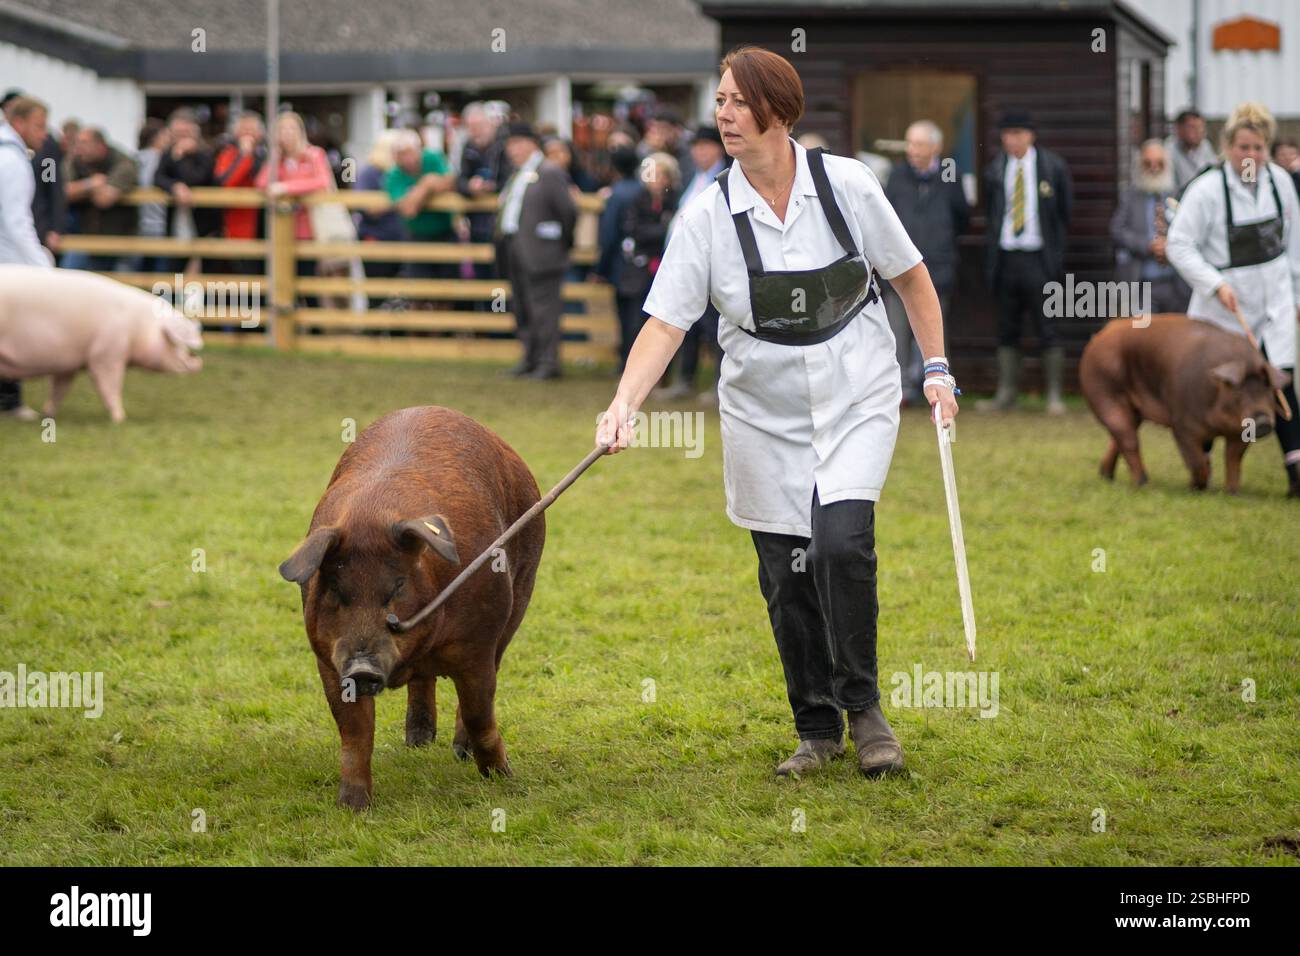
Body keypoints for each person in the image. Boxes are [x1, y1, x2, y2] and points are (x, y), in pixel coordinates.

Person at [596, 46, 958, 779]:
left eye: (736, 101)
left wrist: (939, 369)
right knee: (787, 576)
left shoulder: (849, 185)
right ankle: (816, 728)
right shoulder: (706, 216)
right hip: (762, 416)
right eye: (720, 101)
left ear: (777, 110)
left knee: (839, 544)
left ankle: (865, 712)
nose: (723, 114)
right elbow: (666, 323)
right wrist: (622, 405)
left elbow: (911, 278)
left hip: (857, 393)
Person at [1167, 101, 1300, 497]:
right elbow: (1179, 244)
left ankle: (1295, 469)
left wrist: (1295, 295)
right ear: (1227, 147)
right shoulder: (1206, 189)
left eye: (1258, 148)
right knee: (1219, 386)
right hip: (1223, 311)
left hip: (1274, 301)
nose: (1251, 156)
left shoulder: (1280, 182)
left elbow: (1293, 244)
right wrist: (1213, 283)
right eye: (1243, 147)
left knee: (1280, 382)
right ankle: (1203, 460)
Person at [980, 109, 1073, 413]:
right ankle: (1006, 393)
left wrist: (1054, 257)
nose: (1012, 140)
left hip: (1039, 257)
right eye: (1007, 135)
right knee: (1007, 326)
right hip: (1007, 257)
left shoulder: (1052, 167)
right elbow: (991, 213)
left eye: (1018, 134)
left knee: (1047, 325)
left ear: (1031, 136)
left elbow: (1064, 214)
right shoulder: (996, 169)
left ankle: (1054, 395)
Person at [884, 119, 971, 405]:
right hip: (898, 268)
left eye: (920, 144)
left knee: (934, 330)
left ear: (936, 147)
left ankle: (937, 389)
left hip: (938, 268)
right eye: (910, 143)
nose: (913, 150)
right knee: (897, 333)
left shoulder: (948, 173)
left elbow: (961, 216)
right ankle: (900, 392)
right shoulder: (897, 176)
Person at [494, 122, 576, 380]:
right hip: (515, 248)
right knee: (522, 306)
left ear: (531, 143)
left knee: (544, 310)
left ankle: (548, 361)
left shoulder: (550, 172)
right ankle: (530, 357)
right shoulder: (517, 174)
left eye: (517, 143)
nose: (513, 150)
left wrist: (557, 242)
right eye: (510, 145)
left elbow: (567, 212)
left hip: (542, 251)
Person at [655, 124, 730, 402]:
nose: (700, 152)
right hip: (686, 266)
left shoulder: (728, 178)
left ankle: (719, 384)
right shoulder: (690, 177)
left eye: (705, 146)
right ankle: (684, 380)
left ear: (717, 148)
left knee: (715, 329)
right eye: (696, 147)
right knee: (687, 327)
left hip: (714, 266)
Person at [0, 95, 54, 420]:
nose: (44, 133)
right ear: (18, 123)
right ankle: (9, 400)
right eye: (39, 126)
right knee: (9, 333)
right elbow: (16, 221)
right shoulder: (13, 162)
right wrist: (40, 263)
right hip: (8, 262)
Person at [255, 111, 334, 299]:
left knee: (309, 286)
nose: (287, 133)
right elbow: (261, 184)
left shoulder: (314, 155)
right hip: (283, 232)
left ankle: (314, 327)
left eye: (291, 128)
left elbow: (322, 182)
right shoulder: (278, 161)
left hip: (310, 231)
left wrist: (286, 188)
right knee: (285, 286)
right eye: (282, 129)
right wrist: (274, 157)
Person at [1110, 139, 1191, 314]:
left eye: (1159, 164)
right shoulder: (1130, 196)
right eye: (1148, 163)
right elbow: (1117, 231)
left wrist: (1169, 246)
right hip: (1141, 285)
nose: (1154, 168)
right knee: (1142, 336)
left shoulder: (1179, 196)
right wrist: (1147, 245)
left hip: (1176, 284)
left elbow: (1192, 232)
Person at [593, 145, 646, 370]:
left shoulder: (617, 194)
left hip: (621, 264)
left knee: (626, 316)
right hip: (644, 262)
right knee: (640, 314)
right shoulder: (643, 190)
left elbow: (608, 234)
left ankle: (627, 361)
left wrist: (600, 268)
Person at [385, 128, 457, 283]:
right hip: (416, 234)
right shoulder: (393, 175)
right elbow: (408, 210)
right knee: (418, 286)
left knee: (448, 286)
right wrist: (427, 185)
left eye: (409, 152)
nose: (407, 159)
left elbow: (450, 182)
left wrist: (415, 196)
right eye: (401, 154)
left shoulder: (432, 158)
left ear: (419, 150)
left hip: (445, 231)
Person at [62, 126, 139, 272]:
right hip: (86, 237)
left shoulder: (123, 162)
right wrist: (90, 184)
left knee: (122, 289)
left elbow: (104, 200)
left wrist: (79, 190)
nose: (79, 148)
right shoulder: (76, 160)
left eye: (84, 143)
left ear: (100, 146)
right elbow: (62, 192)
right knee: (69, 276)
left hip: (121, 241)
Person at [154, 109, 219, 273]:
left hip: (205, 223)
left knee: (210, 271)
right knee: (174, 269)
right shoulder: (169, 154)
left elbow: (195, 178)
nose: (181, 138)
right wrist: (174, 187)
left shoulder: (206, 154)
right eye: (177, 133)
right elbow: (158, 178)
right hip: (179, 221)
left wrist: (182, 157)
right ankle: (172, 299)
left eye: (185, 133)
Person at [457, 102, 511, 282]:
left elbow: (510, 181)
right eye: (470, 127)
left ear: (490, 124)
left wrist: (491, 188)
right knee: (481, 275)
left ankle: (499, 310)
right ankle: (486, 310)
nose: (475, 131)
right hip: (478, 224)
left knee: (499, 276)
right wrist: (470, 187)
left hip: (500, 225)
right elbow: (460, 181)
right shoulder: (469, 147)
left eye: (478, 126)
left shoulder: (504, 146)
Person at [213, 110, 266, 263]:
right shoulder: (228, 153)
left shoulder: (268, 154)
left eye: (252, 130)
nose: (248, 134)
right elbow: (225, 183)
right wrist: (245, 156)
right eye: (244, 129)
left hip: (265, 221)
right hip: (238, 224)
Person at [134, 119, 171, 273]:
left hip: (138, 224)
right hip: (157, 224)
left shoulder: (135, 157)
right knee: (160, 276)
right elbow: (149, 183)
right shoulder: (159, 158)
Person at [1166, 108, 1218, 195]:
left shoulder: (1205, 145)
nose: (1199, 131)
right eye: (1193, 127)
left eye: (1201, 127)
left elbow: (1214, 173)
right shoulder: (1169, 150)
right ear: (1178, 128)